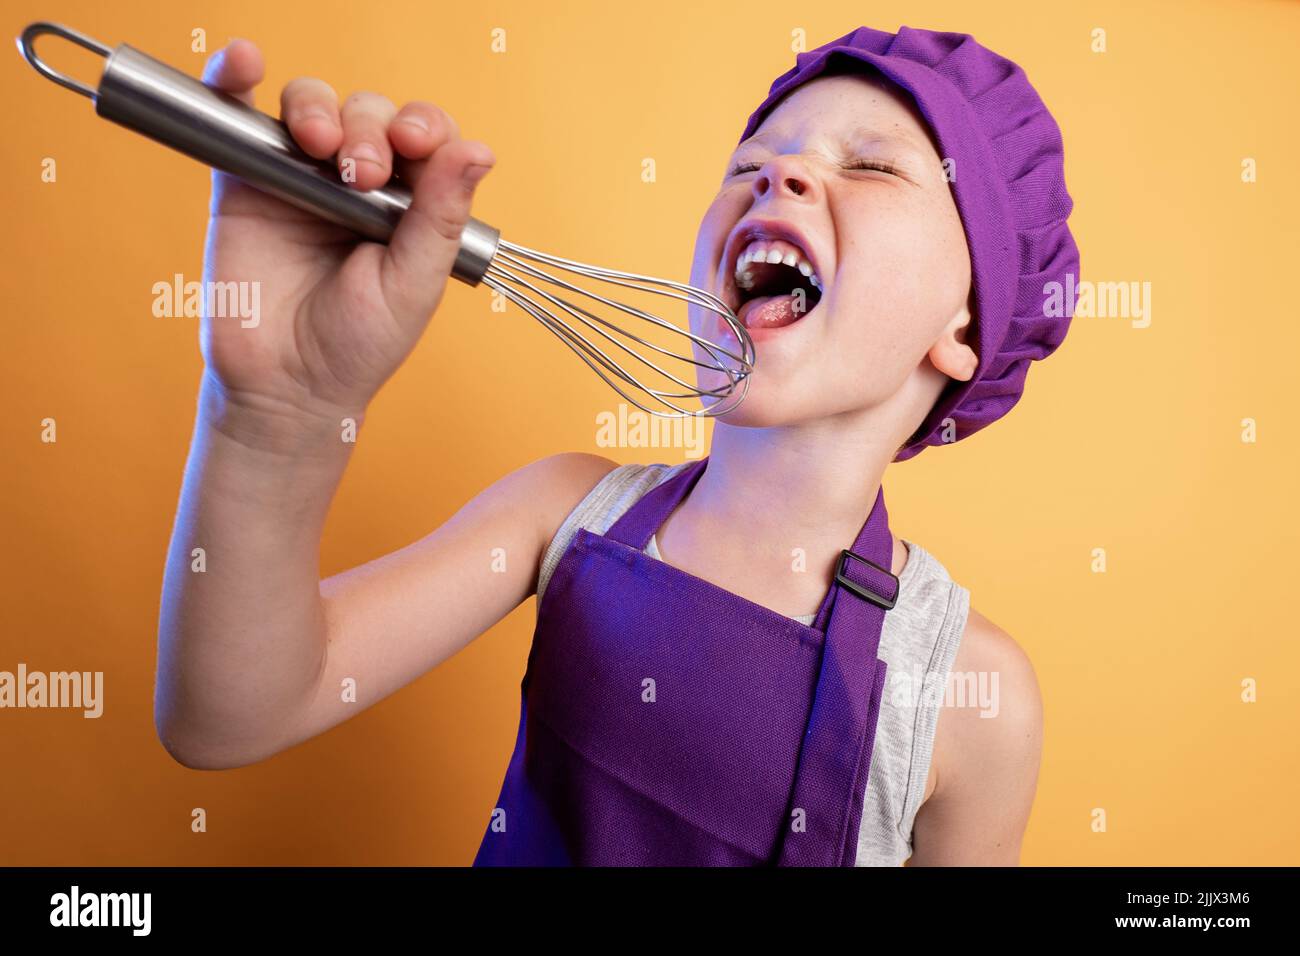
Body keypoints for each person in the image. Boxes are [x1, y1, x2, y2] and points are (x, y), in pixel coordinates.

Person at [155, 25, 1077, 866]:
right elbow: (224, 719)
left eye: (872, 167)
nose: (778, 178)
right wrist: (279, 419)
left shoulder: (968, 693)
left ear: (968, 322)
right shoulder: (566, 512)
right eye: (750, 163)